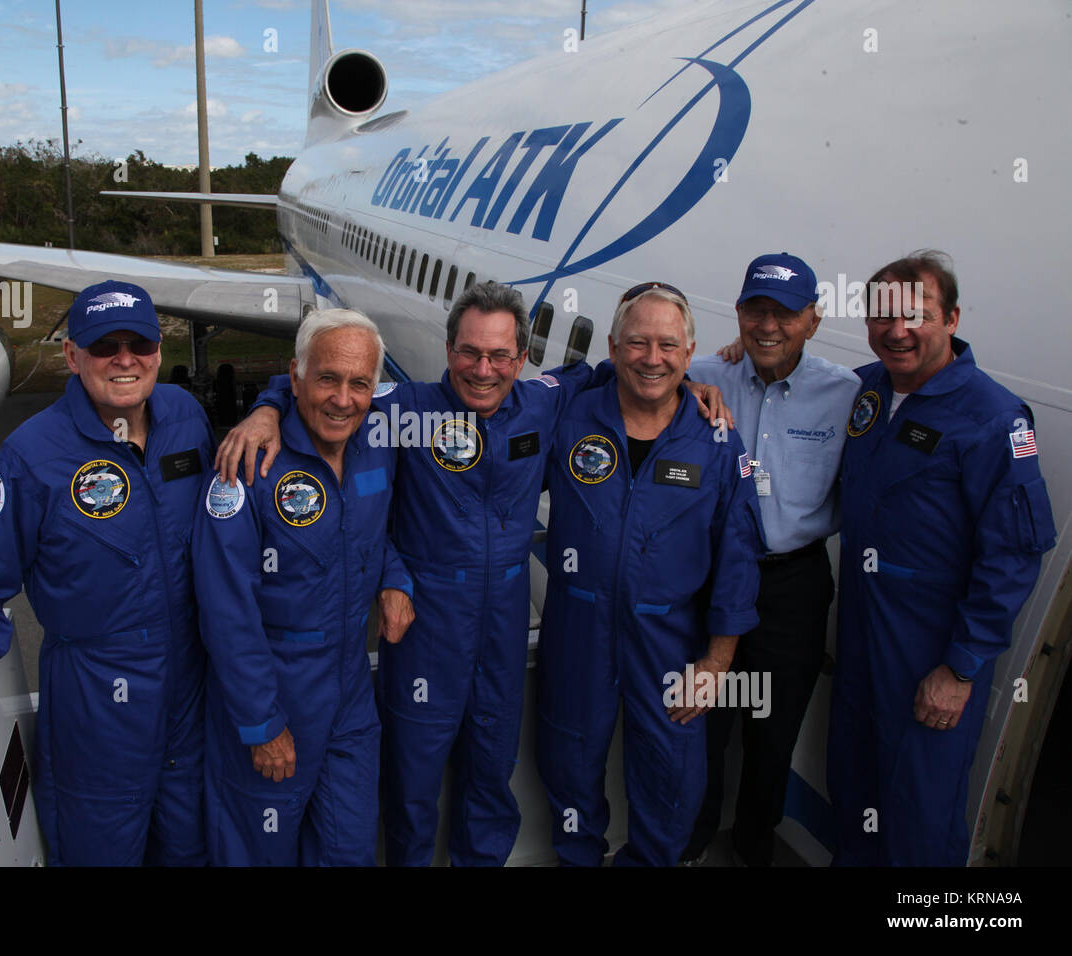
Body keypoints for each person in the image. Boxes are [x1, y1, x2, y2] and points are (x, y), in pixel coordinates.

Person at [217, 282, 730, 866]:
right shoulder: (402, 412)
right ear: (448, 348)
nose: (483, 370)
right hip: (428, 631)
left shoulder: (543, 402)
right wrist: (268, 405)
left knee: (492, 774)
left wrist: (693, 385)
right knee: (412, 786)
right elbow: (330, 387)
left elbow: (630, 369)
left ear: (522, 359)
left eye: (500, 356)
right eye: (469, 353)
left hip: (506, 627)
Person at [0, 280, 214, 866]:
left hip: (193, 696)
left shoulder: (186, 415)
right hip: (96, 702)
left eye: (140, 343)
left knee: (191, 848)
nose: (125, 360)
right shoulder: (31, 457)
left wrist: (271, 412)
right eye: (106, 346)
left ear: (159, 349)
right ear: (72, 357)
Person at [829, 250, 1056, 866]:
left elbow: (1014, 555)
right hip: (860, 639)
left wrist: (958, 669)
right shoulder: (867, 390)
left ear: (951, 318)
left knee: (919, 816)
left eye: (916, 315)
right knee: (854, 796)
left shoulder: (994, 418)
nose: (897, 331)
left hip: (929, 651)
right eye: (882, 317)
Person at [536, 283, 763, 866]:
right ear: (612, 348)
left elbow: (738, 560)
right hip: (577, 630)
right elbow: (489, 410)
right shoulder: (570, 414)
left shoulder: (716, 440)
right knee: (569, 767)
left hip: (671, 644)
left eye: (668, 346)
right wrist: (276, 401)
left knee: (671, 781)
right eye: (637, 343)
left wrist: (716, 663)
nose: (652, 358)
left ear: (690, 356)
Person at [193, 308, 415, 865]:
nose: (343, 399)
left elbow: (368, 536)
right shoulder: (248, 467)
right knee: (257, 851)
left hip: (350, 700)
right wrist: (262, 722)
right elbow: (226, 611)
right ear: (295, 378)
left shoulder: (377, 441)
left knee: (350, 848)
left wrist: (394, 579)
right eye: (327, 379)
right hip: (275, 698)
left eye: (359, 383)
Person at [679, 253, 860, 866]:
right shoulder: (702, 376)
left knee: (771, 736)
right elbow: (623, 367)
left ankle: (754, 848)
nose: (768, 326)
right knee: (698, 727)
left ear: (813, 319)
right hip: (707, 581)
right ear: (738, 314)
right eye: (756, 311)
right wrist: (686, 383)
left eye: (784, 314)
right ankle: (690, 845)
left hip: (792, 586)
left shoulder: (848, 394)